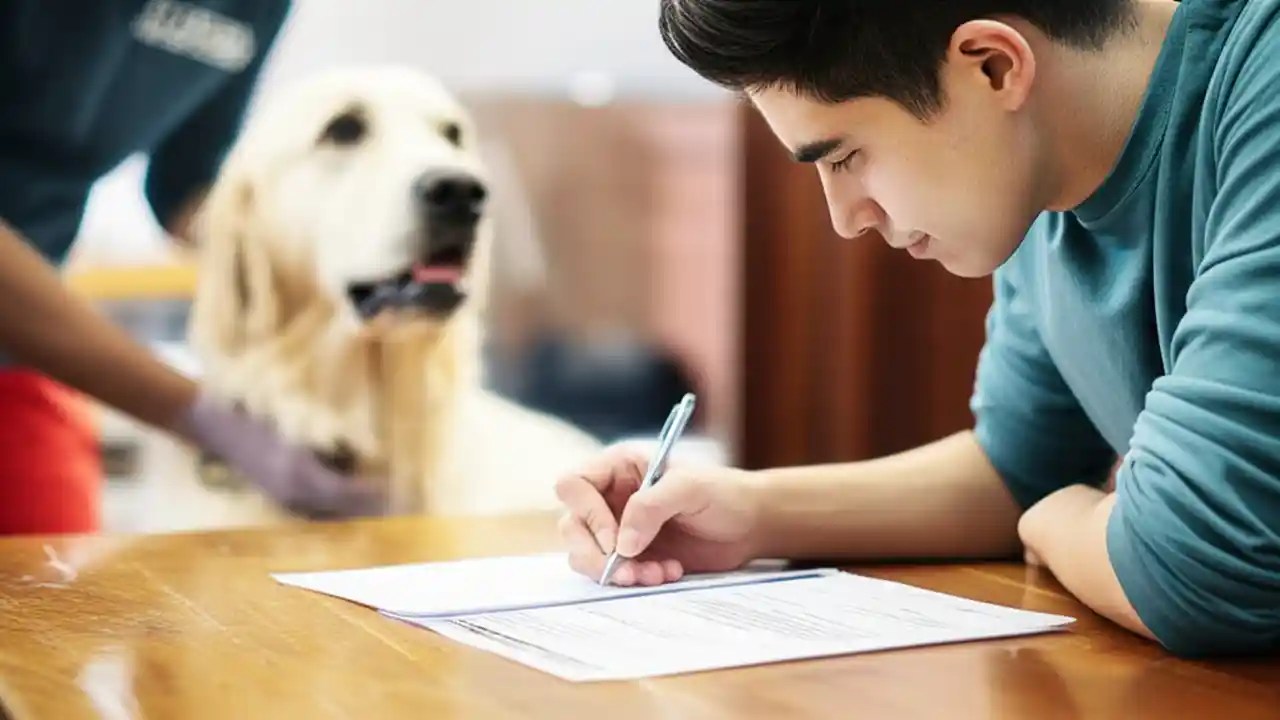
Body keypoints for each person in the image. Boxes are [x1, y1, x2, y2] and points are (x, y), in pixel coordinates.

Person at [555, 0, 1280, 657]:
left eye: (846, 157)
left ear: (993, 67)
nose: (846, 220)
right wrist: (749, 512)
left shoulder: (1263, 80)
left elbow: (1195, 570)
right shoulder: (1038, 184)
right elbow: (1017, 470)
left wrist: (1056, 518)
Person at [0, 0, 382, 535]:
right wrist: (203, 415)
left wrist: (319, 257)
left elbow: (188, 185)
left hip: (22, 345)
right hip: (25, 312)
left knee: (58, 567)